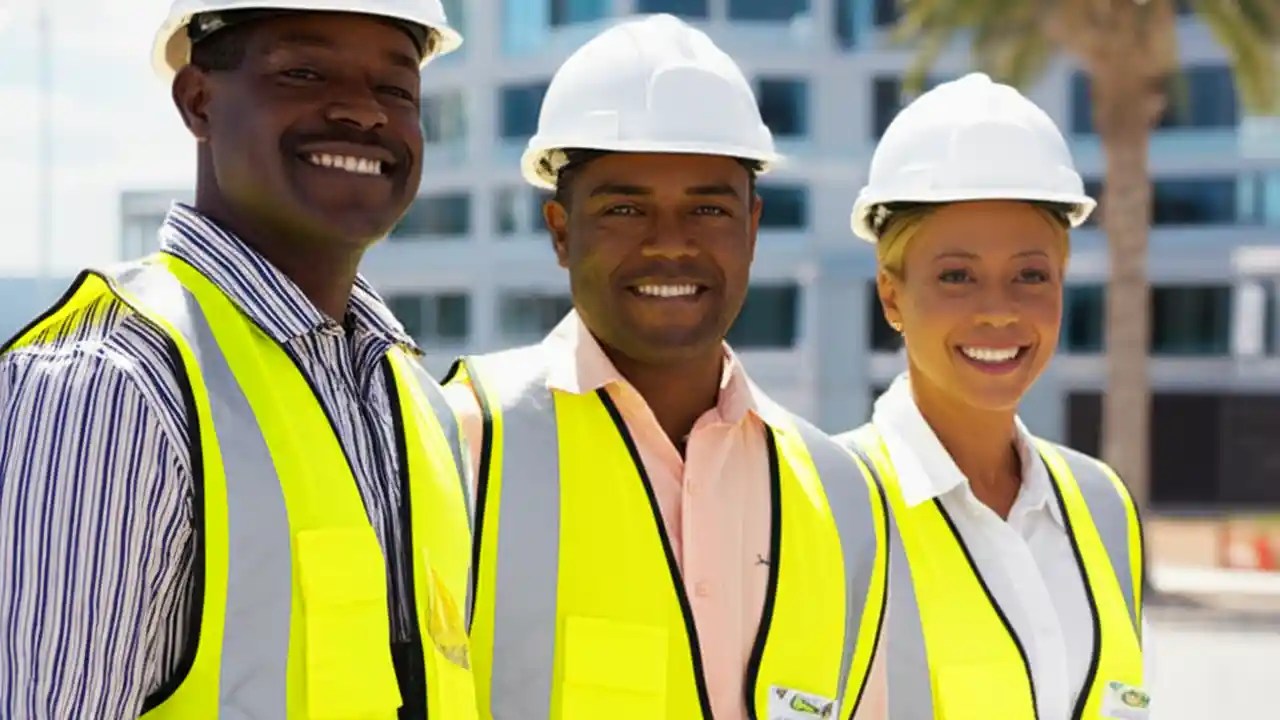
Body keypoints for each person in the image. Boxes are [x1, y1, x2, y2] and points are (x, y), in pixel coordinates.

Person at [0, 2, 477, 718]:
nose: (362, 111)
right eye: (305, 72)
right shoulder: (112, 386)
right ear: (198, 101)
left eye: (395, 88)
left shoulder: (418, 405)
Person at [440, 14, 889, 720]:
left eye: (707, 209)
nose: (671, 244)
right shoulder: (460, 444)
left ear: (752, 229)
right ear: (561, 232)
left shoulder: (842, 496)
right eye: (625, 208)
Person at [837, 73, 1150, 720]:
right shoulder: (825, 503)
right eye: (957, 276)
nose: (999, 310)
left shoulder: (1102, 506)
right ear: (892, 296)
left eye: (1030, 275)